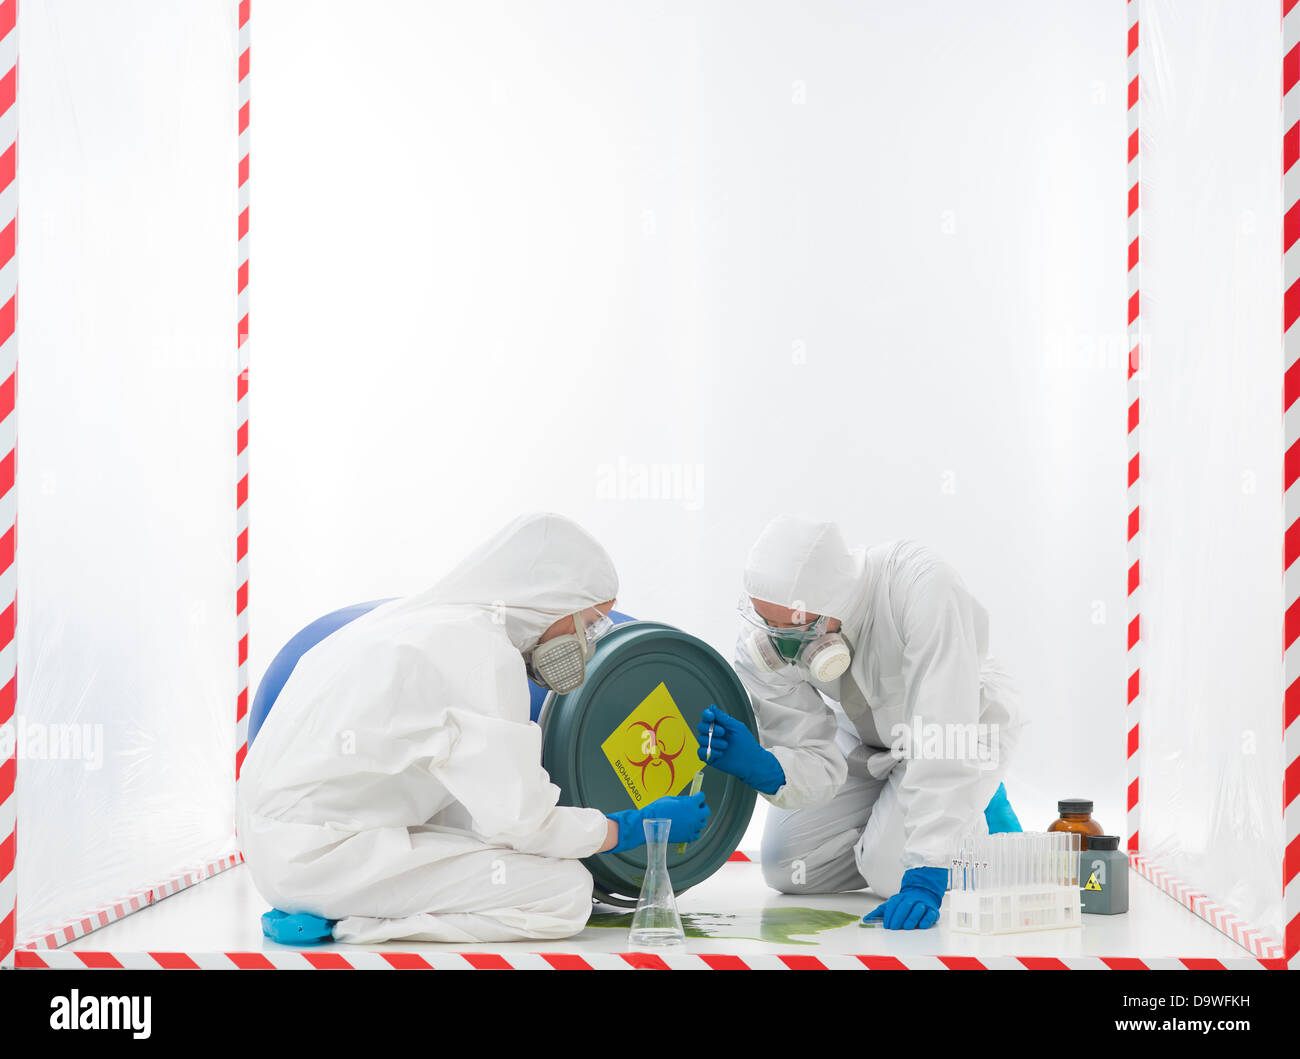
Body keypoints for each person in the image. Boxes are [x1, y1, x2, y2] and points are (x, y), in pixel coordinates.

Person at [237, 513, 710, 944]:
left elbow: (485, 810)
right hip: (319, 859)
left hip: (283, 844)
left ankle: (335, 904)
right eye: (588, 623)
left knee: (485, 831)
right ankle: (342, 923)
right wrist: (627, 828)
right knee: (565, 892)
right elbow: (525, 825)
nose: (586, 643)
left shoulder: (419, 622)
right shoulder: (485, 654)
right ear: (553, 601)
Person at [698, 515, 1025, 930]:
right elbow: (812, 753)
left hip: (958, 727)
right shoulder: (769, 646)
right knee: (788, 868)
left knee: (893, 872)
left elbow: (944, 727)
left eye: (794, 626)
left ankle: (980, 815)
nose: (781, 644)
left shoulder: (919, 585)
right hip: (867, 737)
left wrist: (927, 867)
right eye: (769, 623)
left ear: (836, 601)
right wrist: (769, 767)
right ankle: (893, 829)